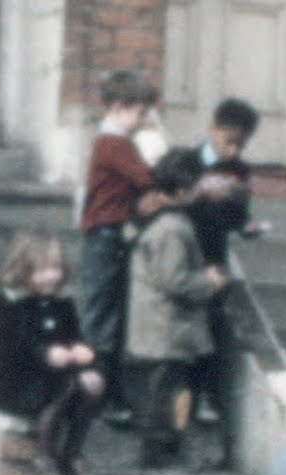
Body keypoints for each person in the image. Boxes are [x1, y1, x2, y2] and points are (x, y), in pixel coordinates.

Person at [127, 147, 230, 469]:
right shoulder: (172, 229)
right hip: (167, 330)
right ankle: (158, 454)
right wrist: (209, 282)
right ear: (184, 190)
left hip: (169, 331)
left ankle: (166, 450)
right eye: (198, 184)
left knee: (173, 392)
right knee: (166, 396)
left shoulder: (165, 221)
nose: (202, 189)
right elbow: (174, 280)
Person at [0, 230, 105, 475]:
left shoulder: (62, 304)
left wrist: (80, 350)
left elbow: (71, 337)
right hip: (13, 380)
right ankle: (43, 452)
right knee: (63, 384)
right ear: (24, 270)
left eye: (55, 268)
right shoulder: (8, 304)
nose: (52, 276)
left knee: (93, 381)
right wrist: (44, 353)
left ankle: (73, 453)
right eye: (42, 270)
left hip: (54, 374)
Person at [79, 70, 162, 427]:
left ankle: (106, 392)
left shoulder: (112, 142)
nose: (143, 121)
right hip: (105, 236)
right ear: (117, 107)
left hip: (110, 235)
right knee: (103, 320)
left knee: (109, 316)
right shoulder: (115, 144)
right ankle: (96, 393)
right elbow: (146, 178)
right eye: (139, 113)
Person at [186, 98, 261, 435]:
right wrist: (201, 192)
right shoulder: (187, 163)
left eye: (239, 145)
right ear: (212, 130)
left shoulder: (240, 171)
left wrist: (246, 225)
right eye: (227, 141)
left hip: (214, 255)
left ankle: (204, 396)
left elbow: (237, 215)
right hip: (186, 252)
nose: (232, 150)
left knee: (212, 326)